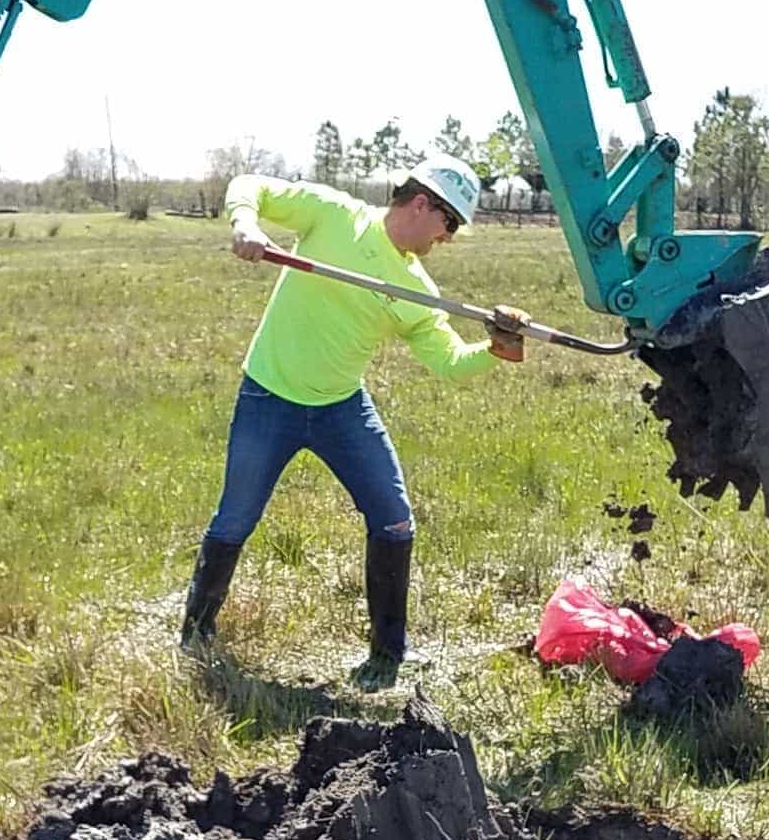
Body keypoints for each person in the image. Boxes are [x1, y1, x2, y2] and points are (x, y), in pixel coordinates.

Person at [182, 153, 528, 690]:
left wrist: (494, 349)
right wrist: (245, 224)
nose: (449, 238)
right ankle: (195, 636)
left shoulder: (416, 291)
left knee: (394, 520)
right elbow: (248, 184)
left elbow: (448, 361)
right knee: (235, 519)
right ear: (421, 204)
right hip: (267, 398)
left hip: (341, 409)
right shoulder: (333, 215)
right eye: (450, 223)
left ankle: (387, 656)